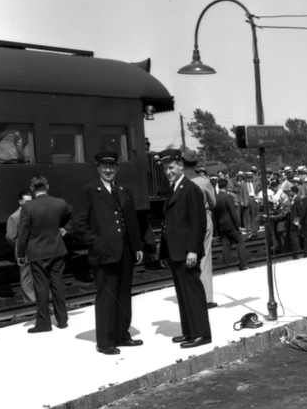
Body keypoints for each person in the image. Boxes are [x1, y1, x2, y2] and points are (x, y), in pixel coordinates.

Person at [73, 150, 145, 355]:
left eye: (111, 167)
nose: (108, 170)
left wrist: (137, 246)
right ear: (98, 168)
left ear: (117, 168)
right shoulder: (88, 191)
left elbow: (131, 220)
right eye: (104, 167)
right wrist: (97, 243)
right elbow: (79, 224)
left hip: (126, 252)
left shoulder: (124, 190)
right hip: (104, 253)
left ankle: (122, 335)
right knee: (107, 296)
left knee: (123, 294)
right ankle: (104, 342)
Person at [158, 149, 212, 348]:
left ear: (181, 165)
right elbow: (169, 224)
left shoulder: (190, 189)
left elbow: (198, 223)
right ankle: (189, 331)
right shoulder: (175, 188)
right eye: (165, 169)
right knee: (183, 293)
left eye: (171, 167)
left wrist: (193, 250)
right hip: (175, 251)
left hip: (186, 251)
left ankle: (202, 334)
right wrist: (164, 252)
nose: (168, 172)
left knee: (193, 292)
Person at [15, 175, 73, 333]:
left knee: (41, 287)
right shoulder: (60, 203)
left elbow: (23, 233)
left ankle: (43, 323)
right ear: (47, 186)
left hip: (37, 252)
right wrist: (65, 229)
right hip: (57, 250)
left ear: (32, 189)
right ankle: (62, 320)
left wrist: (21, 254)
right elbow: (75, 216)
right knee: (58, 284)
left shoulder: (28, 207)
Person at [181, 150, 216, 308]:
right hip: (203, 219)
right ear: (196, 164)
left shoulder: (178, 181)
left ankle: (190, 296)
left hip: (183, 222)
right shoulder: (203, 181)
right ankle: (206, 298)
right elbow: (213, 203)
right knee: (204, 258)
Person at [6, 191, 36, 302]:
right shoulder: (14, 217)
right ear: (20, 202)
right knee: (27, 280)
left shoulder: (33, 213)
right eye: (27, 201)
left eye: (31, 201)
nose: (30, 203)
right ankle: (31, 303)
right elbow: (11, 237)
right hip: (25, 253)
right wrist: (21, 247)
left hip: (36, 252)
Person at [214, 178, 248, 270]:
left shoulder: (215, 198)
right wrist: (238, 225)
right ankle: (243, 264)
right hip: (231, 225)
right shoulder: (228, 197)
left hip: (222, 226)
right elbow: (233, 212)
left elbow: (215, 216)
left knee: (226, 245)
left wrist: (217, 230)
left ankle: (228, 266)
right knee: (240, 242)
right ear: (226, 187)